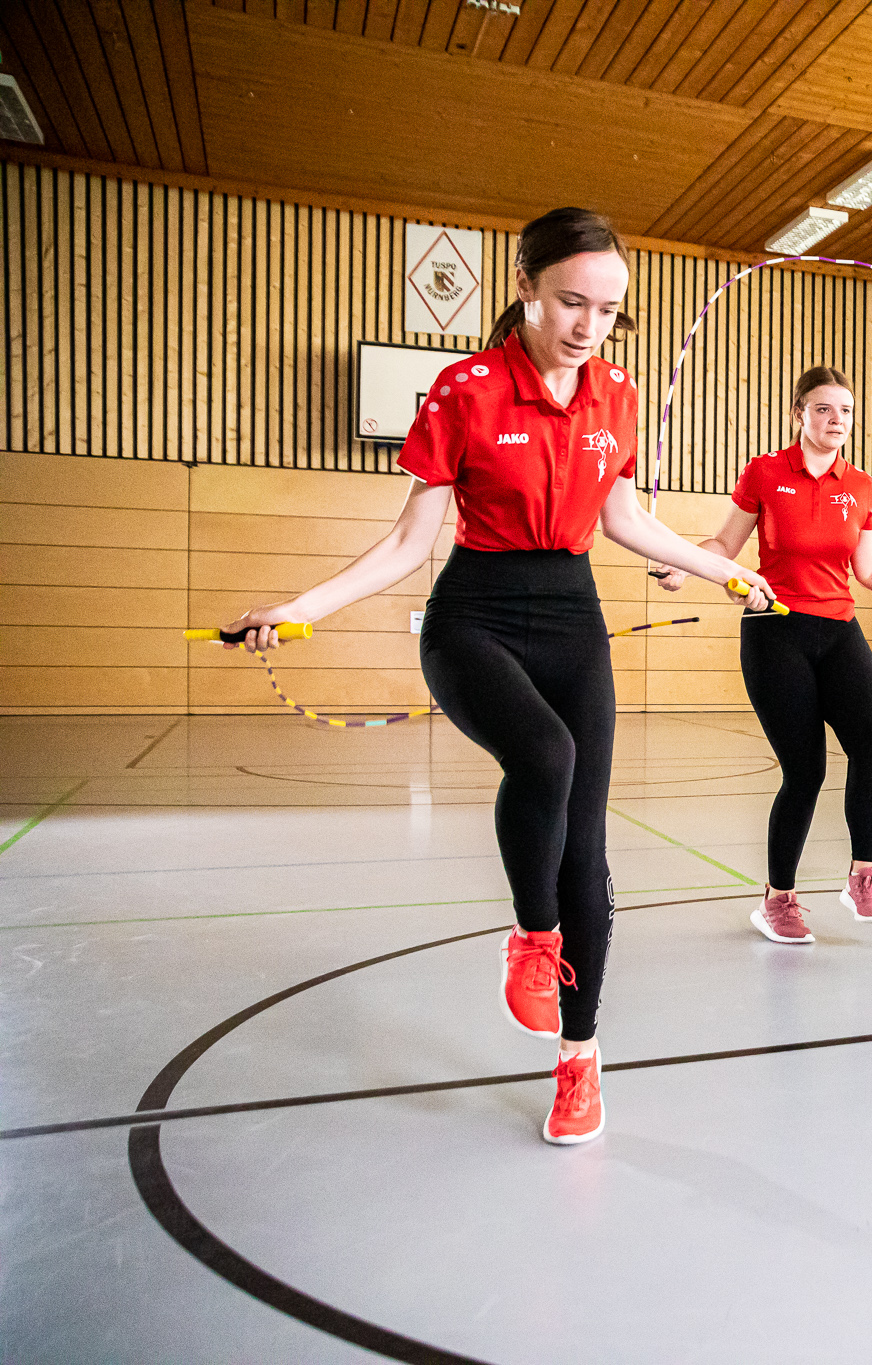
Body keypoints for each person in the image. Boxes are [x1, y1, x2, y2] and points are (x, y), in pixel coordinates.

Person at [220, 207, 768, 1145]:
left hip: (571, 615)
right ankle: (530, 935)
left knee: (588, 859)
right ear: (526, 287)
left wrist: (729, 568)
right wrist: (302, 607)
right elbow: (406, 544)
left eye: (606, 309)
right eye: (569, 301)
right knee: (544, 754)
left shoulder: (617, 395)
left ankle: (579, 1063)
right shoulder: (462, 390)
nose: (586, 325)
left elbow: (626, 521)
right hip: (473, 614)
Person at [658, 366, 872, 945]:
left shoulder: (862, 487)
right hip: (775, 628)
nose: (837, 421)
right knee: (805, 770)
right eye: (824, 409)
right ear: (800, 413)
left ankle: (862, 878)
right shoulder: (765, 472)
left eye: (846, 411)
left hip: (838, 629)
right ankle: (778, 900)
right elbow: (726, 544)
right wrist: (681, 560)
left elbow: (870, 570)